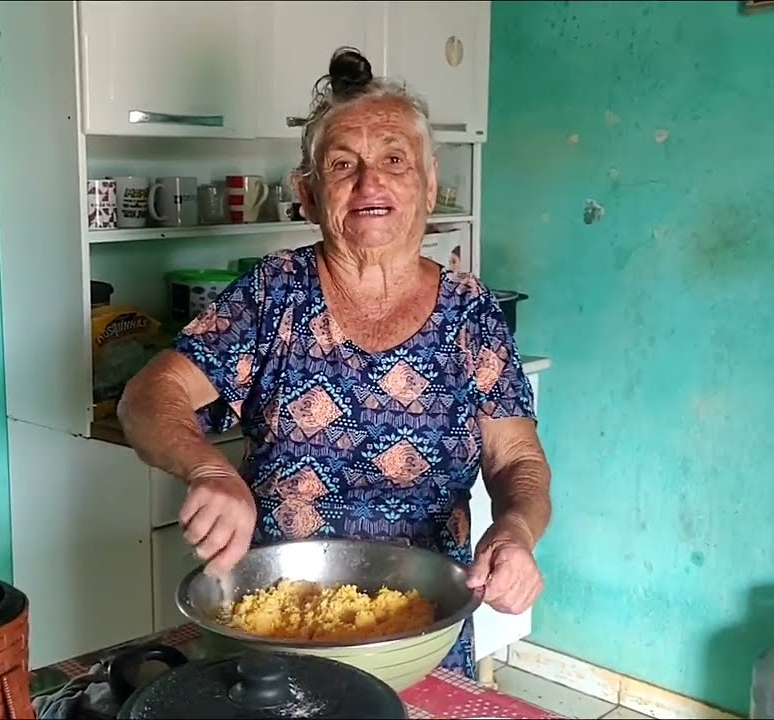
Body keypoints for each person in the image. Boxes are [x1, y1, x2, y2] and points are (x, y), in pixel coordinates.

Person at [118, 47, 552, 681]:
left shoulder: (470, 311)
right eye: (343, 164)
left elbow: (519, 459)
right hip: (276, 621)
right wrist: (209, 469)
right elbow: (149, 395)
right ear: (308, 193)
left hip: (422, 627)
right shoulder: (274, 293)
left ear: (430, 182)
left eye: (394, 161)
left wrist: (516, 529)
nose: (370, 183)